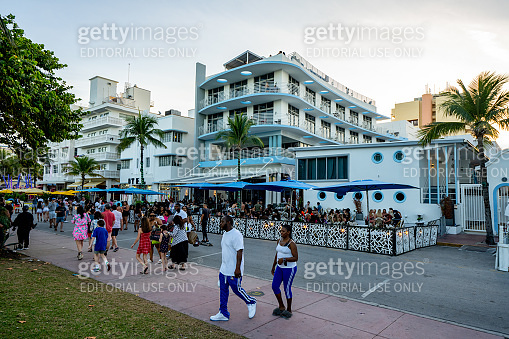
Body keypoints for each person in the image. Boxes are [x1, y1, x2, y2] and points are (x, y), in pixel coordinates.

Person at [210, 215, 256, 321]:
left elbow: (239, 251)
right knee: (223, 291)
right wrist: (221, 269)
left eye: (222, 221)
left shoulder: (236, 234)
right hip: (224, 269)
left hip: (234, 269)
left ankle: (251, 302)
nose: (220, 223)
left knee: (237, 289)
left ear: (229, 222)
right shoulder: (225, 233)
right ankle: (223, 313)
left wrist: (238, 268)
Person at [271, 224, 298, 319]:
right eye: (281, 231)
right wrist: (273, 266)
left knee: (287, 288)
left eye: (283, 231)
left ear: (288, 232)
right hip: (279, 267)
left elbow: (296, 258)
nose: (281, 232)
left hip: (289, 269)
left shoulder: (292, 244)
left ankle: (289, 309)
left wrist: (284, 259)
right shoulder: (279, 241)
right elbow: (277, 254)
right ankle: (281, 306)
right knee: (274, 286)